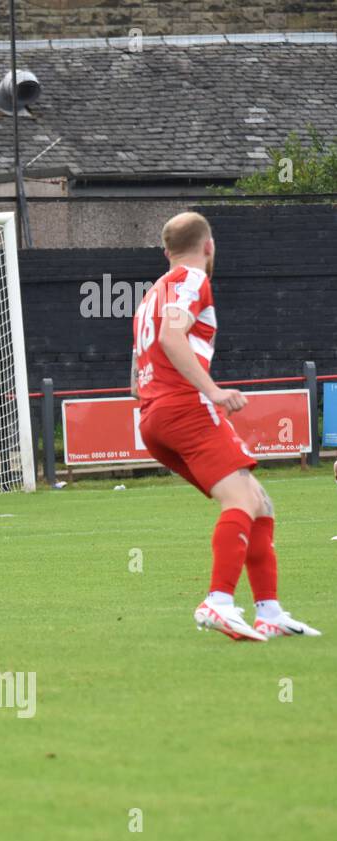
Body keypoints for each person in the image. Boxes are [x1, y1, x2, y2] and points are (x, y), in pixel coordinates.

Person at [132, 211, 319, 641]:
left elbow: (136, 372)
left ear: (166, 251)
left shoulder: (150, 295)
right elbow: (171, 339)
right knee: (240, 498)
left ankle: (269, 611)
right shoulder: (193, 279)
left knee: (259, 501)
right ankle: (217, 601)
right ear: (209, 245)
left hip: (153, 416)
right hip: (185, 407)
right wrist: (213, 392)